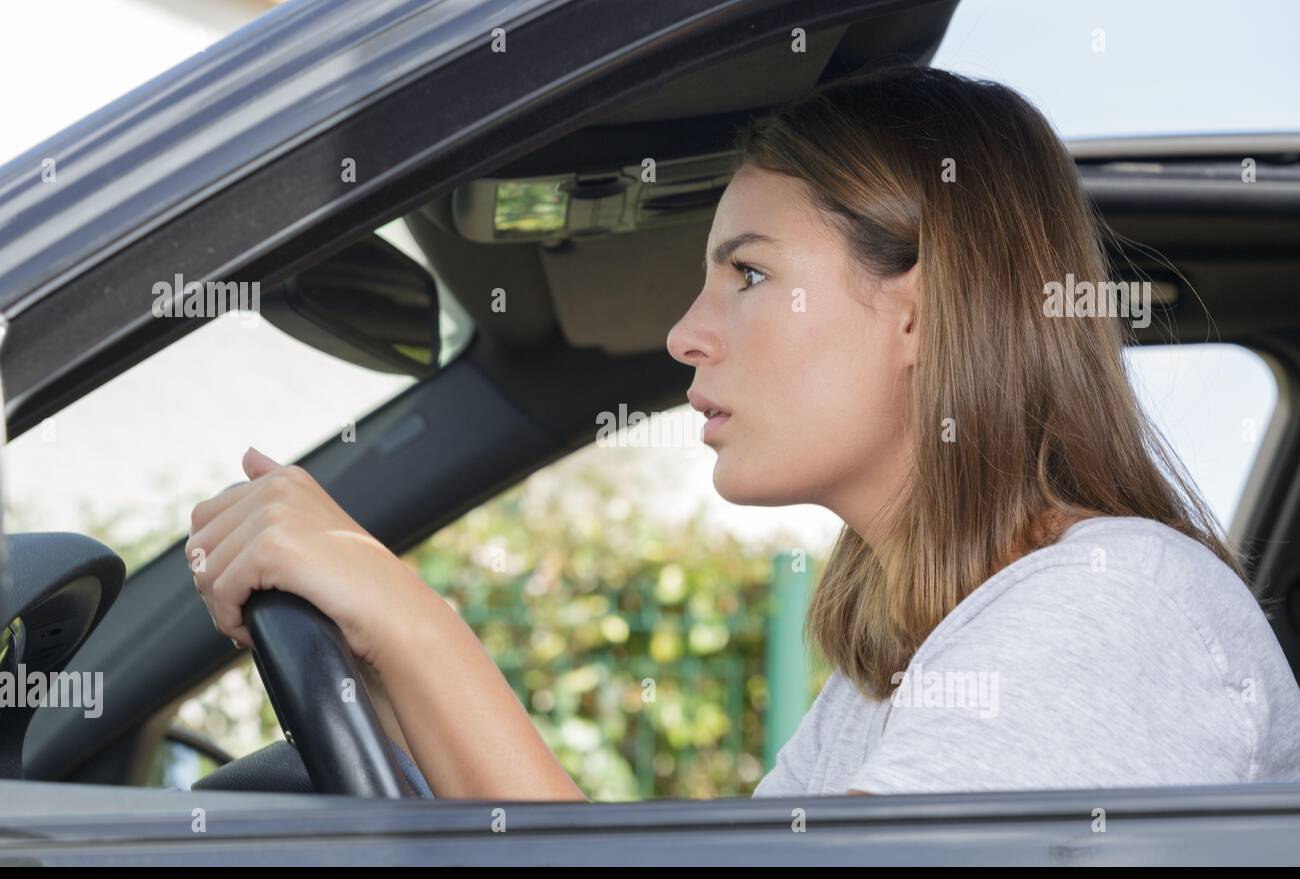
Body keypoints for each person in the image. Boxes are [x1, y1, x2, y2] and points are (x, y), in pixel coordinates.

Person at [186, 66, 1300, 800]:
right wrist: (389, 663)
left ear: (918, 307)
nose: (683, 335)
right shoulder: (894, 673)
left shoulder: (1114, 607)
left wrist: (413, 621)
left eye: (749, 273)